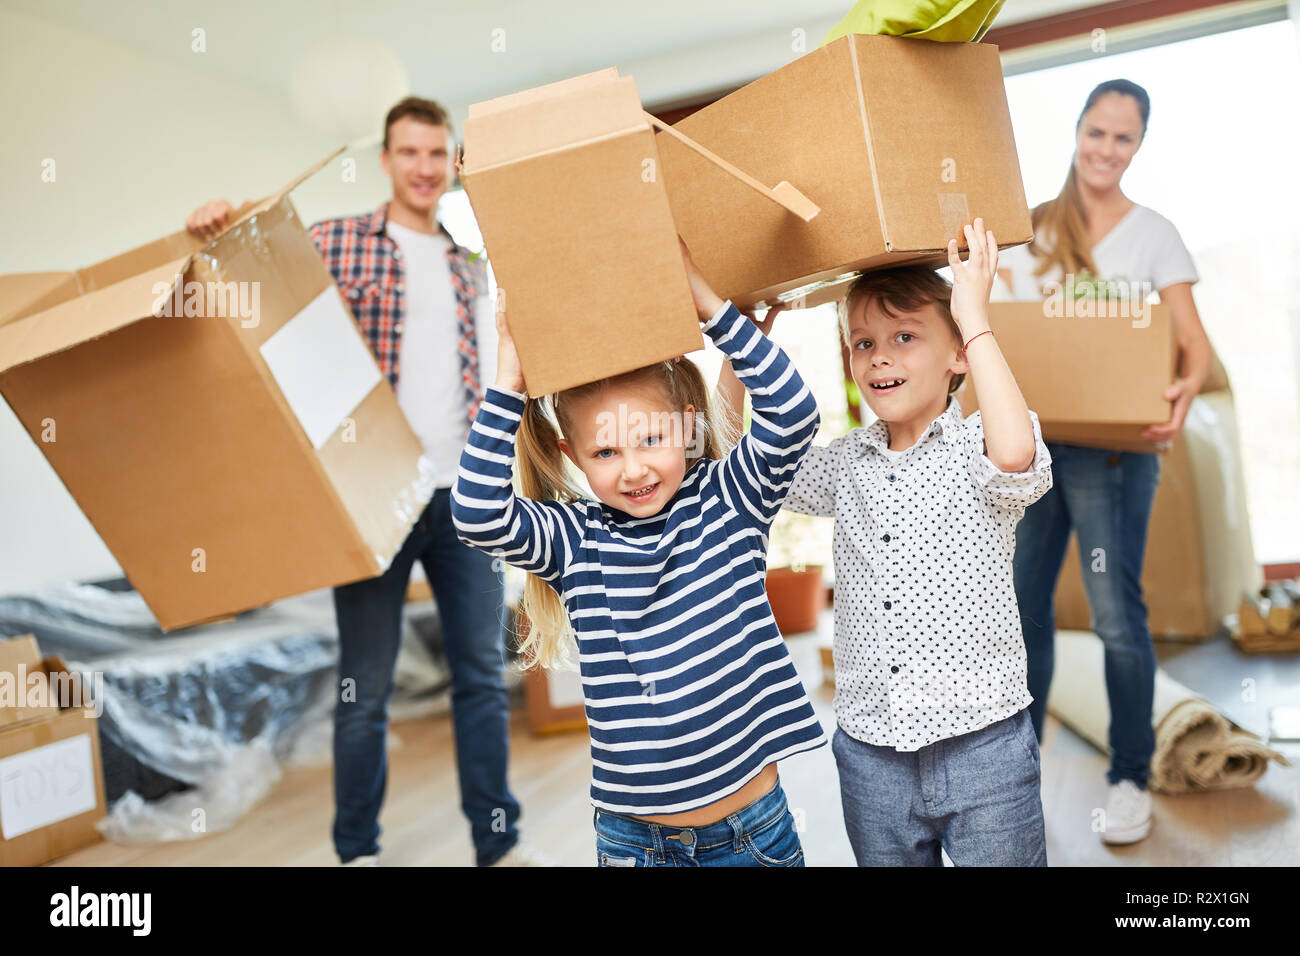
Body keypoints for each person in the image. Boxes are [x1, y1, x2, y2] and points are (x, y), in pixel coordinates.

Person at [186, 97, 545, 867]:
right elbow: (265, 278)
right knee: (366, 690)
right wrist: (221, 231)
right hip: (374, 499)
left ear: (453, 163)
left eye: (437, 153)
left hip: (465, 500)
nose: (424, 167)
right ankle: (357, 852)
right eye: (409, 152)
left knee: (481, 675)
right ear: (386, 159)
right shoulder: (339, 242)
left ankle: (498, 843)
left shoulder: (470, 265)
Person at [450, 240, 827, 867]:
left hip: (752, 835)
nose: (633, 469)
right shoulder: (574, 540)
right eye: (605, 453)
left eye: (650, 439)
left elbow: (793, 415)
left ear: (685, 426)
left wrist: (710, 306)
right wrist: (509, 384)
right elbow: (477, 514)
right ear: (573, 458)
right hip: (634, 844)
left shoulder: (729, 499)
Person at [726, 220, 1054, 865]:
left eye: (905, 338)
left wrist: (974, 316)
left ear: (959, 354)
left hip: (984, 745)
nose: (879, 356)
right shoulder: (845, 463)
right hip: (871, 754)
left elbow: (1017, 455)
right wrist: (742, 354)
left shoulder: (980, 445)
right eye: (863, 342)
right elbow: (743, 457)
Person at [996, 79, 1212, 846]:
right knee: (1024, 614)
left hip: (1114, 458)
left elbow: (1193, 343)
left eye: (1123, 138)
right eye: (1097, 132)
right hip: (1031, 450)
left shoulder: (1154, 234)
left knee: (1115, 615)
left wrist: (1182, 394)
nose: (1105, 149)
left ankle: (1128, 776)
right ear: (1078, 131)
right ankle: (1019, 773)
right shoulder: (1030, 231)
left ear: (1138, 147)